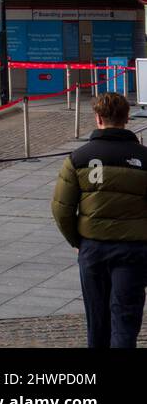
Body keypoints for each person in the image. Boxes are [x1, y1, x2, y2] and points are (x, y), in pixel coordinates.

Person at [51, 91, 147, 348]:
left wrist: (77, 240)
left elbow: (61, 208)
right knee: (125, 320)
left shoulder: (78, 159)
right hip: (133, 249)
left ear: (97, 118)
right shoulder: (145, 158)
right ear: (127, 118)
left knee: (97, 320)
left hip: (93, 247)